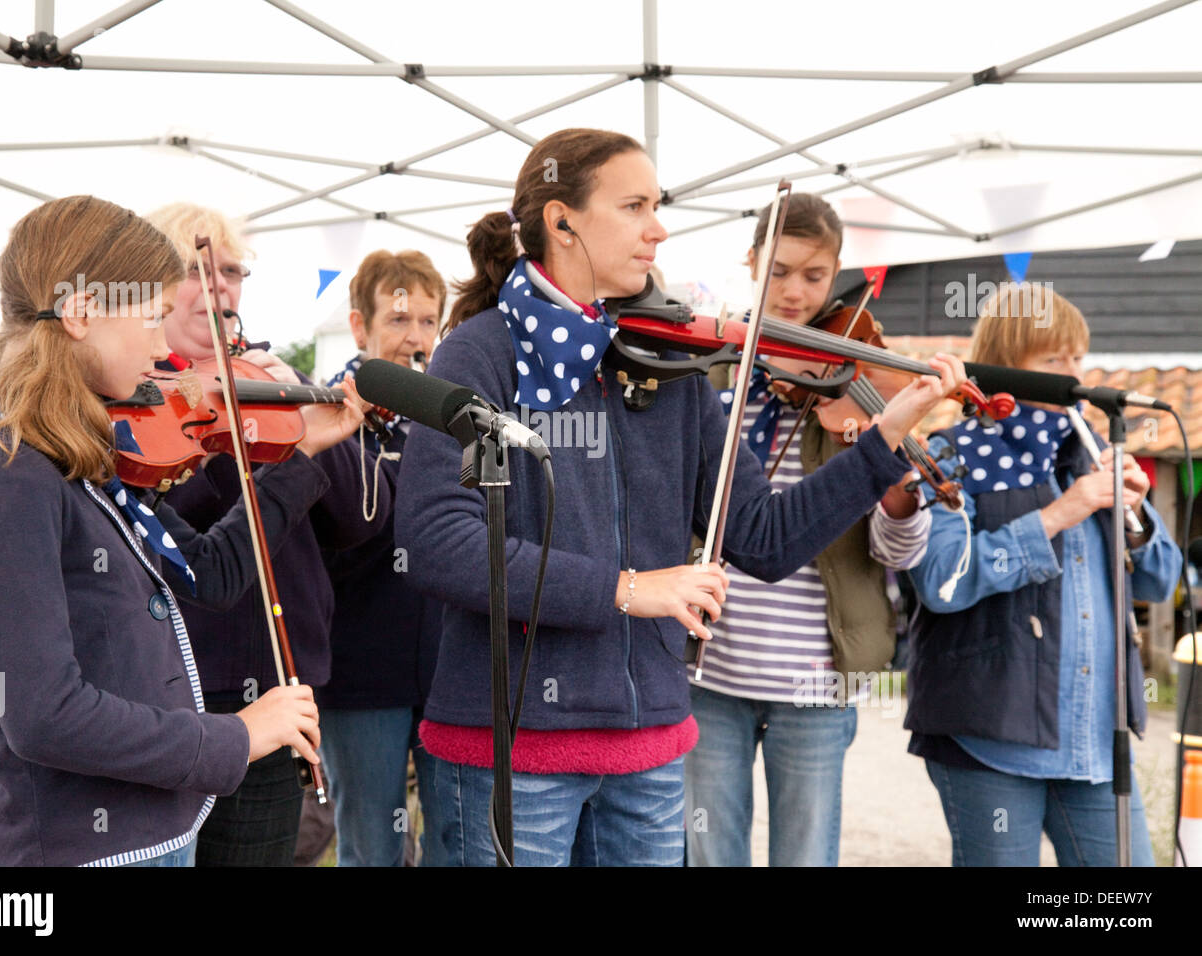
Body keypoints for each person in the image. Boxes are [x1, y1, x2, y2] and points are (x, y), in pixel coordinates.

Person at [394, 127, 968, 866]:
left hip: (650, 747)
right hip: (516, 746)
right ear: (562, 220)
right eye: (634, 206)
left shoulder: (668, 363)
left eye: (657, 206)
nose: (658, 229)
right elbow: (441, 544)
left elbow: (762, 537)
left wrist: (883, 439)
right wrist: (626, 589)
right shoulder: (481, 354)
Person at [0, 195, 369, 866]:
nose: (165, 348)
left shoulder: (69, 452)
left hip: (142, 840)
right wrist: (235, 736)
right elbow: (44, 713)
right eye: (151, 318)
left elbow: (206, 569)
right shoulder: (6, 469)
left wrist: (300, 455)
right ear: (79, 313)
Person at [684, 194, 931, 867]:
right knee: (709, 852)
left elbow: (896, 550)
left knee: (806, 856)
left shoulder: (859, 374)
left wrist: (899, 493)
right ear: (752, 262)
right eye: (779, 270)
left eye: (814, 276)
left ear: (837, 274)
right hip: (708, 671)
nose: (794, 291)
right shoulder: (709, 370)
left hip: (815, 679)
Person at [143, 202, 387, 866]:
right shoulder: (136, 393)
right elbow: (173, 527)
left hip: (276, 684)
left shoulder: (273, 381)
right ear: (151, 286)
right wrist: (218, 427)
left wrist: (301, 409)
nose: (220, 286)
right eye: (198, 271)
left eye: (232, 271)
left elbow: (362, 518)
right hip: (175, 693)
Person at [904, 283, 1181, 866]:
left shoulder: (1092, 453)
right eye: (1054, 361)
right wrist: (1059, 514)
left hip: (1093, 741)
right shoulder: (951, 454)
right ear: (1007, 368)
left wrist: (1133, 514)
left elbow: (1162, 582)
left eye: (1078, 358)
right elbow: (943, 584)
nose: (1073, 376)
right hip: (988, 738)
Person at [316, 249, 446, 866]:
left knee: (458, 841)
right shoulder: (320, 416)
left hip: (449, 669)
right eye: (398, 319)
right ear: (360, 327)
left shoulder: (450, 414)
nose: (415, 337)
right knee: (372, 847)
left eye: (427, 320)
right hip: (359, 670)